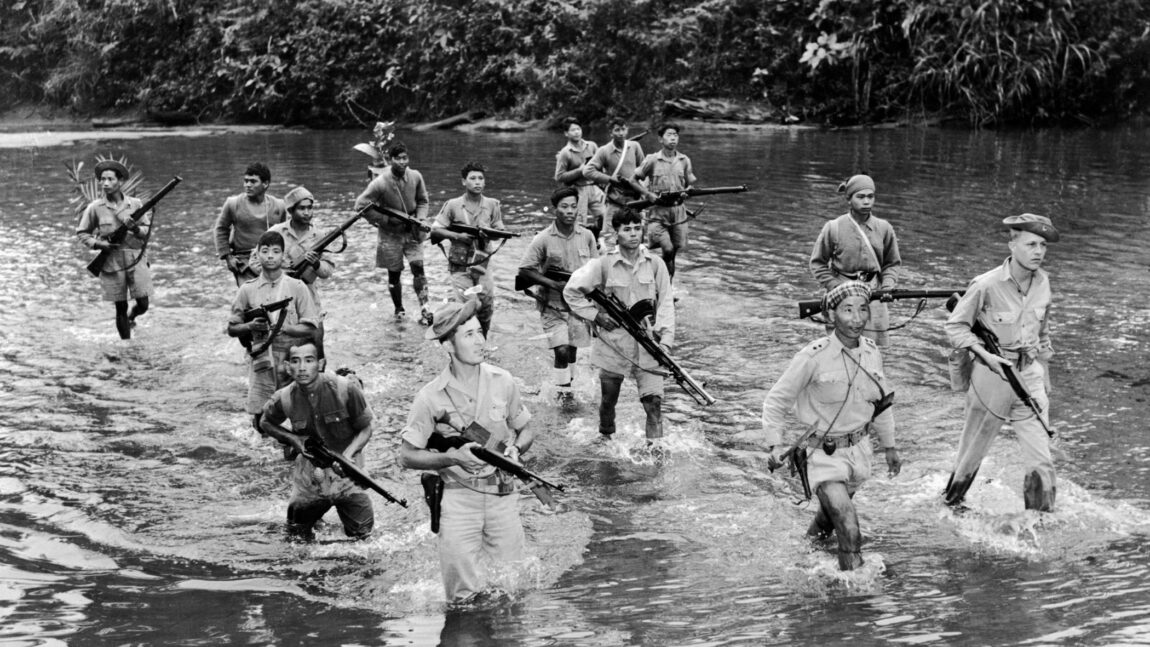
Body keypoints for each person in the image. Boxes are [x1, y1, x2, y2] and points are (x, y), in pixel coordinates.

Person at [398, 299, 535, 603]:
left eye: (480, 332)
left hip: (503, 494)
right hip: (458, 500)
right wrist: (451, 457)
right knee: (461, 600)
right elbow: (406, 456)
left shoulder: (504, 381)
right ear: (448, 345)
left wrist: (516, 448)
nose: (481, 341)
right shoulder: (430, 397)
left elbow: (527, 428)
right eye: (469, 335)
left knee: (512, 590)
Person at [761, 281, 901, 571]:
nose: (857, 318)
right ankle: (855, 600)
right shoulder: (812, 356)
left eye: (863, 310)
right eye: (847, 310)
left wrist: (890, 447)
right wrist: (775, 444)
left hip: (859, 452)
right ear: (831, 315)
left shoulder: (872, 352)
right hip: (822, 456)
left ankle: (804, 559)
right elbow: (776, 401)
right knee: (849, 529)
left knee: (828, 521)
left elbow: (881, 404)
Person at [942, 214, 1060, 512]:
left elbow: (1042, 331)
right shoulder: (986, 284)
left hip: (1029, 375)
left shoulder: (1044, 282)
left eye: (1043, 245)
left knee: (1041, 457)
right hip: (991, 375)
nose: (1039, 251)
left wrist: (1044, 373)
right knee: (971, 453)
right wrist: (984, 355)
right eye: (1031, 244)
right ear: (1012, 245)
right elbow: (956, 328)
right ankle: (951, 504)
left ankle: (1040, 522)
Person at [563, 209, 674, 440]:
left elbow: (665, 305)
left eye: (637, 228)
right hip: (614, 344)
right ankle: (606, 440)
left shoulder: (656, 264)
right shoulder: (603, 264)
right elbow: (571, 291)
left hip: (648, 344)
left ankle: (655, 456)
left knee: (654, 404)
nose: (633, 234)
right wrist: (596, 316)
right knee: (608, 402)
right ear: (616, 234)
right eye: (627, 230)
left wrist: (666, 343)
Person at [260, 338, 375, 540]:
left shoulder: (346, 390)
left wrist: (348, 455)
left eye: (309, 360)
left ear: (321, 363)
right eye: (295, 361)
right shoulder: (284, 398)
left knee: (364, 539)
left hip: (348, 478)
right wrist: (294, 439)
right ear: (287, 367)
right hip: (309, 482)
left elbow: (366, 427)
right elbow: (265, 423)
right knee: (295, 539)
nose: (302, 367)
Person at [227, 230, 319, 433]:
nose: (270, 256)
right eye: (265, 251)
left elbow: (312, 327)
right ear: (257, 255)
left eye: (276, 251)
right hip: (261, 358)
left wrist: (286, 329)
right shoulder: (247, 290)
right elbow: (232, 328)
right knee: (261, 417)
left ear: (283, 256)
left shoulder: (297, 287)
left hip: (292, 356)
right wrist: (251, 326)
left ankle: (293, 448)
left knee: (299, 413)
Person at [517, 187, 599, 389]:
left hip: (578, 307)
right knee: (561, 350)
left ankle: (567, 384)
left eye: (574, 206)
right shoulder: (543, 238)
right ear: (555, 209)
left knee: (572, 351)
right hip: (552, 305)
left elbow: (597, 270)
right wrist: (554, 284)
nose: (570, 211)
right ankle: (563, 393)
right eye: (564, 207)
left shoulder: (587, 236)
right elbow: (524, 271)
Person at [809, 174, 901, 346]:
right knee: (841, 346)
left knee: (872, 348)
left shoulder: (884, 228)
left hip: (874, 293)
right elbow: (817, 263)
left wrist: (888, 286)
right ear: (849, 199)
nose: (866, 202)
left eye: (870, 196)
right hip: (842, 292)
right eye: (860, 197)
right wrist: (836, 288)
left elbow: (892, 263)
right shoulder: (833, 228)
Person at [353, 142, 433, 325]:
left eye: (405, 158)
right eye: (398, 159)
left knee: (418, 267)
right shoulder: (380, 183)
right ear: (390, 160)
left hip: (413, 231)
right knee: (394, 274)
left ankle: (425, 308)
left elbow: (423, 201)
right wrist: (386, 220)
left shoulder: (416, 176)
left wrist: (419, 219)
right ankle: (399, 309)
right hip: (390, 235)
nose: (403, 162)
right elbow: (360, 205)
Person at [75, 159, 155, 340]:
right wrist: (99, 244)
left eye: (110, 179)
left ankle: (132, 317)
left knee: (143, 303)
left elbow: (147, 232)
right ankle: (126, 345)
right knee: (120, 307)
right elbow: (82, 233)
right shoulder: (95, 208)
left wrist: (135, 228)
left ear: (120, 182)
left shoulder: (135, 204)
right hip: (111, 261)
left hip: (136, 258)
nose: (105, 183)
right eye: (102, 180)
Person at [430, 162, 505, 337]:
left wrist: (489, 234)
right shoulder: (452, 205)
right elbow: (436, 230)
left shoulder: (493, 204)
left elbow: (500, 231)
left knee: (486, 306)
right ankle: (462, 342)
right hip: (459, 266)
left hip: (482, 265)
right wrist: (457, 236)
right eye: (472, 178)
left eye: (481, 178)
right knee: (471, 305)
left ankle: (482, 342)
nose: (477, 182)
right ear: (464, 181)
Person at [259, 186, 334, 343]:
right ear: (291, 211)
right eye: (301, 208)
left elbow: (327, 272)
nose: (307, 212)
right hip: (279, 297)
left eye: (309, 208)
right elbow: (255, 261)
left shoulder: (320, 236)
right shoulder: (276, 232)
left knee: (316, 342)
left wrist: (316, 264)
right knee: (280, 344)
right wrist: (280, 273)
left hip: (308, 295)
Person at [582, 117, 658, 248]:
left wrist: (644, 191)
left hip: (635, 202)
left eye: (623, 129)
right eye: (617, 130)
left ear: (627, 130)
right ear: (611, 132)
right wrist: (610, 179)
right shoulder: (604, 151)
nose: (621, 133)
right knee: (608, 239)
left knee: (637, 239)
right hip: (615, 201)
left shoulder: (634, 147)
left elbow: (643, 170)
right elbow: (587, 171)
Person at [634, 122, 696, 281]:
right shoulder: (652, 160)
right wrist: (647, 194)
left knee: (673, 253)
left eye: (675, 135)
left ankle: (667, 288)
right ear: (661, 139)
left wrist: (687, 192)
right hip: (657, 213)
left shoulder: (684, 160)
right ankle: (654, 276)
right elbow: (632, 180)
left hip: (678, 213)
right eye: (669, 135)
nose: (673, 138)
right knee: (667, 250)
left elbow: (690, 184)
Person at [214, 162, 287, 285]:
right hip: (244, 262)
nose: (247, 185)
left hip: (271, 258)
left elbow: (286, 234)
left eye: (253, 182)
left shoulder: (279, 206)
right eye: (245, 181)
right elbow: (220, 229)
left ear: (265, 184)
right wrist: (227, 257)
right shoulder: (233, 204)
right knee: (251, 299)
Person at [553, 117, 607, 240]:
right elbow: (559, 176)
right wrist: (580, 170)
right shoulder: (565, 153)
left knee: (606, 216)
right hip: (577, 190)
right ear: (566, 133)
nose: (576, 132)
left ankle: (595, 236)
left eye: (578, 129)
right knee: (578, 222)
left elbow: (601, 165)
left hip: (594, 187)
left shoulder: (591, 146)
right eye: (573, 130)